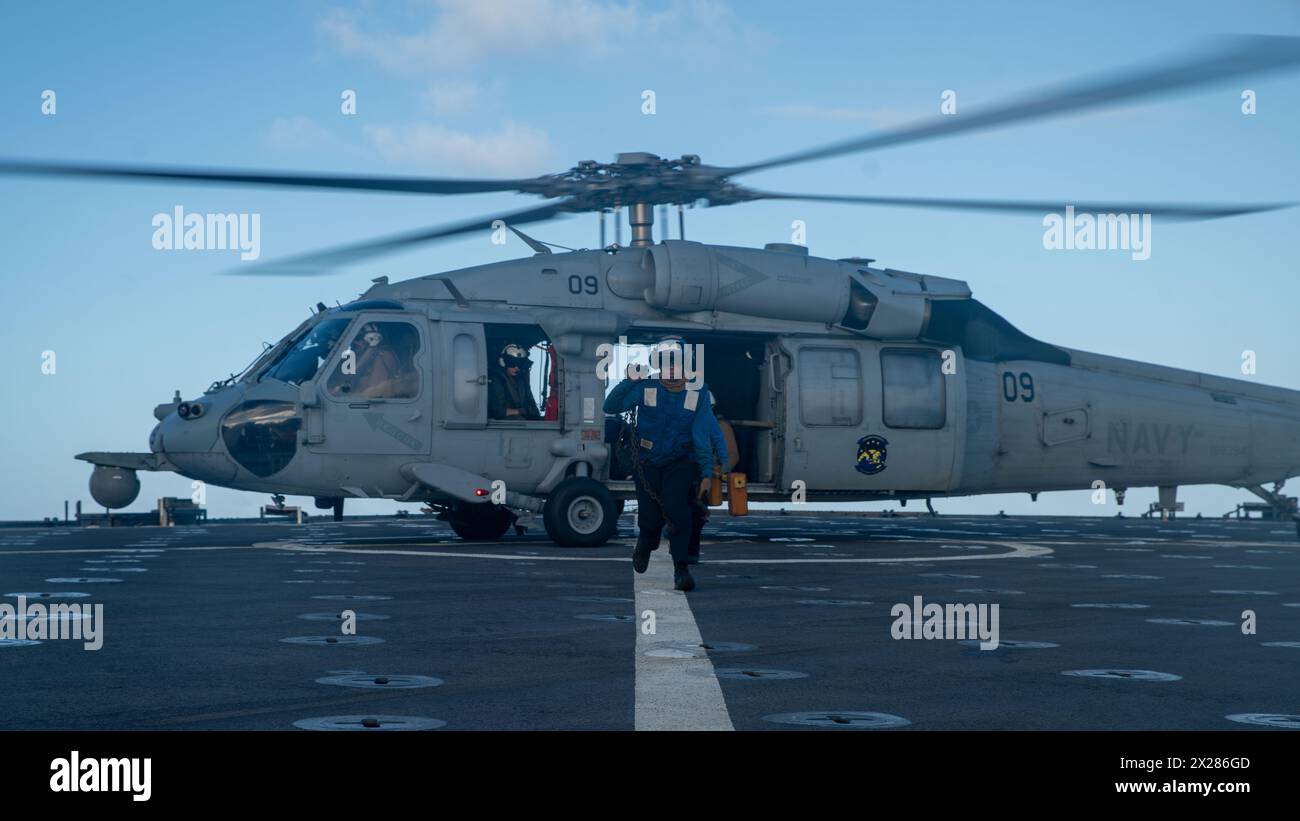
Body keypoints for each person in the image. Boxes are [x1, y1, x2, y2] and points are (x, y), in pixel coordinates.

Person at [603, 336, 727, 591]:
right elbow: (611, 405)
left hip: (680, 461)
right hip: (647, 462)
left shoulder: (697, 392)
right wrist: (629, 380)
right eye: (665, 362)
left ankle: (681, 569)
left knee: (677, 511)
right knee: (649, 518)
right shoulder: (647, 387)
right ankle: (645, 544)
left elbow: (702, 435)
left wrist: (706, 473)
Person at [489, 343, 542, 420]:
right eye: (513, 363)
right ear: (503, 362)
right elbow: (498, 412)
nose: (517, 368)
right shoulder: (496, 381)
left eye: (520, 364)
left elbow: (533, 407)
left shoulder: (522, 382)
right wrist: (519, 411)